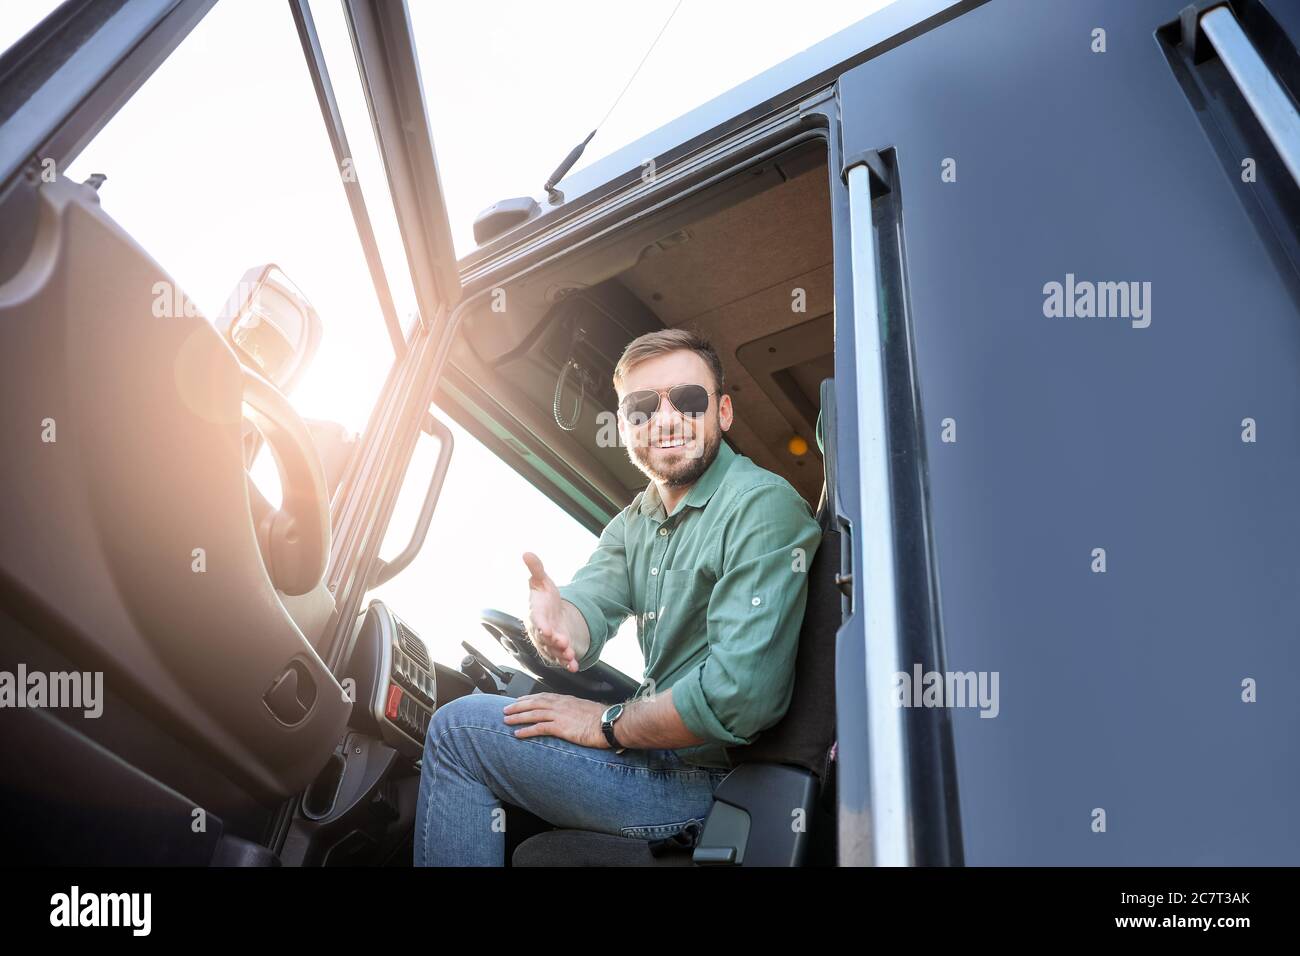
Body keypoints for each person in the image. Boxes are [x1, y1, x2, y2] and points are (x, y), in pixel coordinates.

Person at [414, 328, 821, 866]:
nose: (665, 420)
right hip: (659, 762)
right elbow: (584, 614)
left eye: (688, 399)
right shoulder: (636, 521)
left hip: (717, 783)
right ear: (626, 426)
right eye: (642, 408)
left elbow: (740, 696)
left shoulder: (759, 505)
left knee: (459, 731)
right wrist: (555, 624)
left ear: (723, 412)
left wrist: (605, 724)